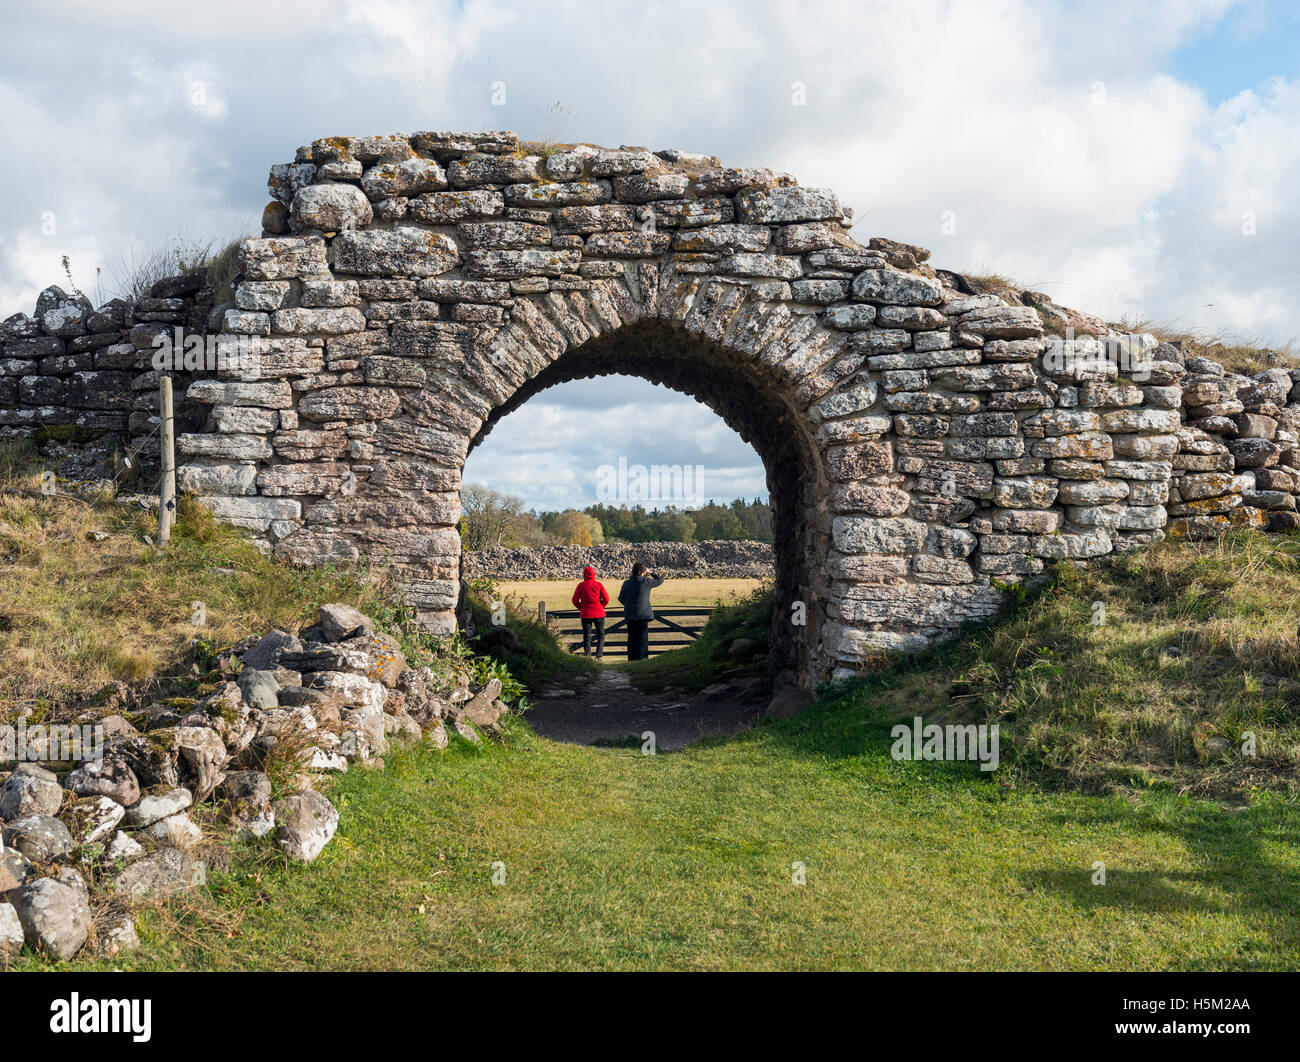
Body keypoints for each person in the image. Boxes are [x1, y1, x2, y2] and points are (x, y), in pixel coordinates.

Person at [617, 562, 664, 661]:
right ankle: (642, 659)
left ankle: (631, 659)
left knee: (631, 639)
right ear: (643, 572)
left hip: (630, 614)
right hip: (643, 614)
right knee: (642, 639)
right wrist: (650, 573)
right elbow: (660, 580)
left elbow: (621, 599)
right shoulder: (646, 581)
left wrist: (629, 605)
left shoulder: (626, 583)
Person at [571, 565, 610, 658]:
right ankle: (599, 655)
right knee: (601, 634)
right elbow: (607, 599)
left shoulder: (581, 585)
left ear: (584, 574)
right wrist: (601, 606)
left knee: (587, 635)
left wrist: (581, 607)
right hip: (599, 613)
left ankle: (588, 655)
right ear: (594, 574)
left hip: (586, 614)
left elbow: (574, 600)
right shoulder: (599, 584)